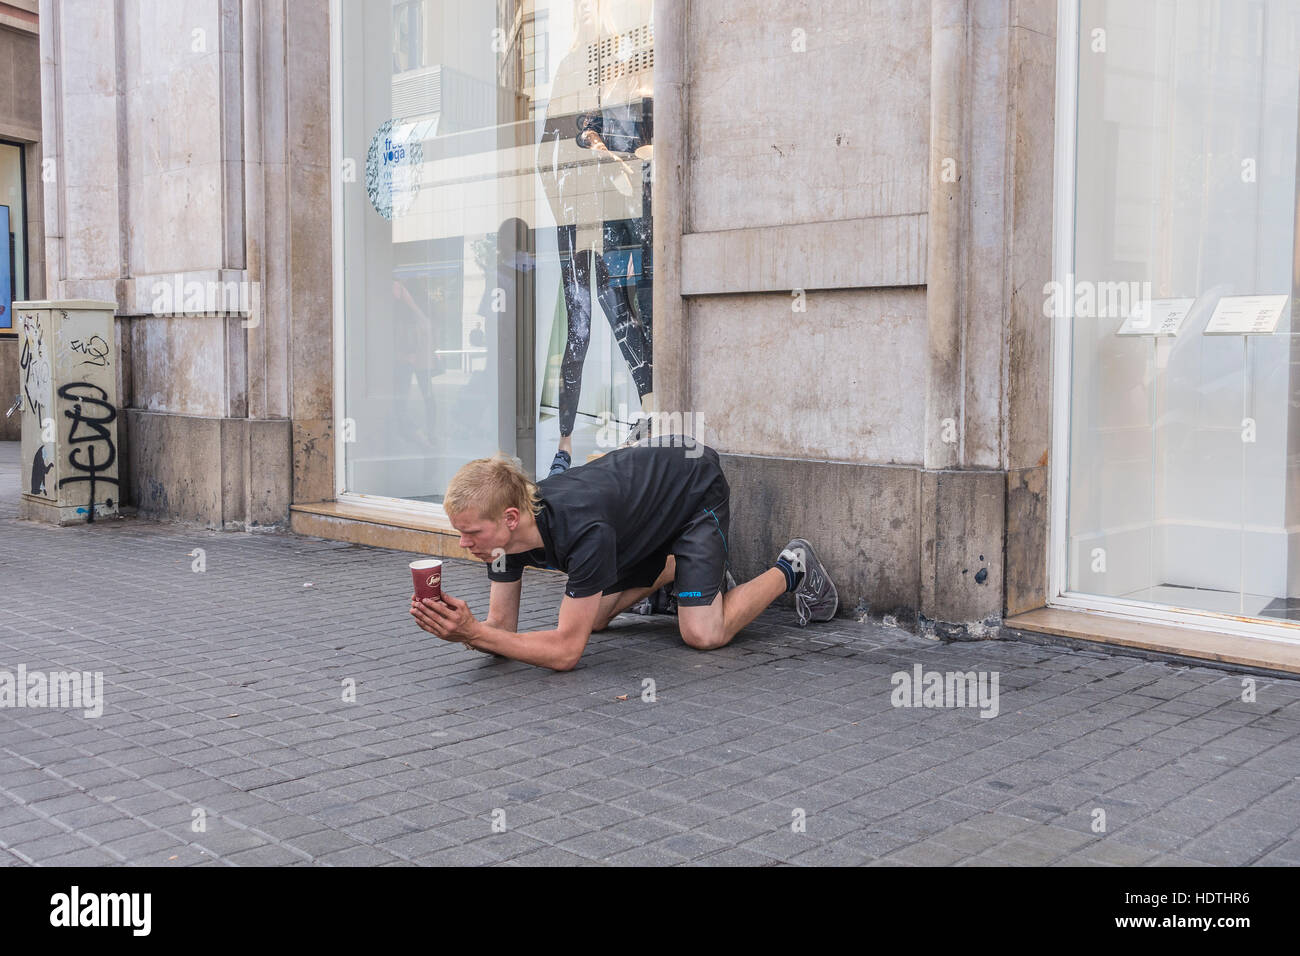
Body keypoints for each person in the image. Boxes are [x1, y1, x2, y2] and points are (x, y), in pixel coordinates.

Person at [409, 436, 838, 671]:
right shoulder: (504, 545)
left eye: (470, 533)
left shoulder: (583, 531)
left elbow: (564, 653)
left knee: (703, 634)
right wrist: (463, 629)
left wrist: (474, 634)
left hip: (691, 486)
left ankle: (792, 567)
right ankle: (676, 571)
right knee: (592, 618)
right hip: (635, 513)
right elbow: (501, 630)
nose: (463, 545)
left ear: (509, 517)